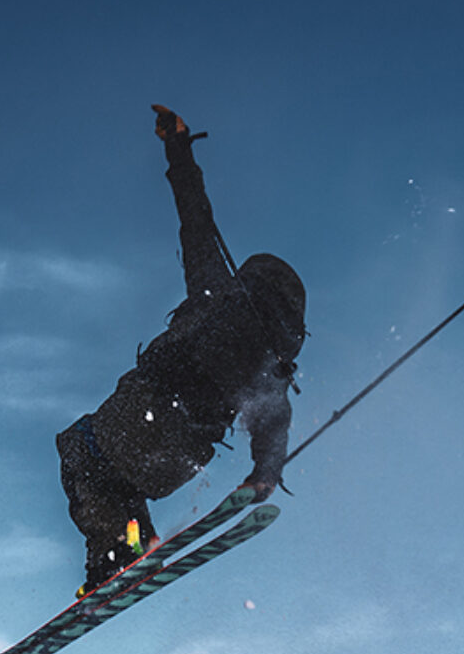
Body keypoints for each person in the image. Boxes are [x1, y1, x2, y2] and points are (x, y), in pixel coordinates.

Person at [57, 105, 306, 595]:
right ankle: (131, 541)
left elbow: (195, 220)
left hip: (138, 419)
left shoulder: (216, 291)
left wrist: (177, 146)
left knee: (79, 447)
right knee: (123, 483)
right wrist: (264, 474)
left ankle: (120, 552)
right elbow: (274, 418)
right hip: (183, 460)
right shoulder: (272, 361)